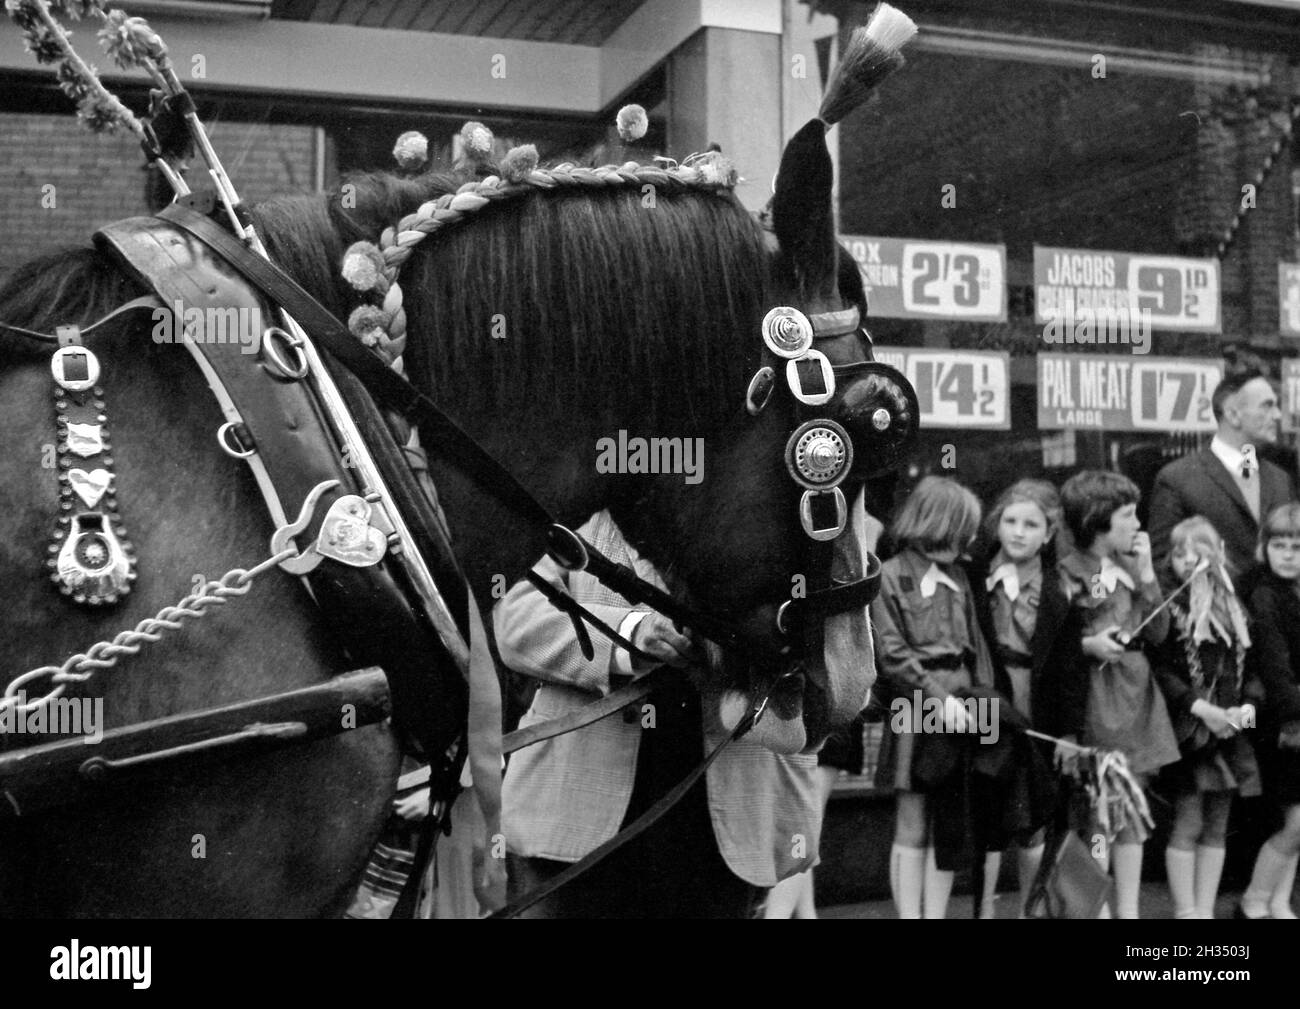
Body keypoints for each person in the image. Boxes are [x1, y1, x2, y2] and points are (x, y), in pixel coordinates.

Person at [495, 508, 839, 918]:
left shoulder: (769, 513)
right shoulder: (578, 506)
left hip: (728, 813)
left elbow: (833, 638)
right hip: (573, 811)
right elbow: (514, 620)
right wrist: (627, 634)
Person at [1057, 470, 1180, 919]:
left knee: (1132, 808)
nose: (1137, 524)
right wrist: (1088, 644)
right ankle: (1098, 909)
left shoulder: (1128, 568)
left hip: (1136, 698)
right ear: (1097, 520)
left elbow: (1162, 631)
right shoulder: (1069, 573)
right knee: (1099, 812)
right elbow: (1058, 639)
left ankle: (1128, 910)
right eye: (1127, 516)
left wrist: (1146, 575)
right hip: (1100, 699)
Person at [872, 476, 994, 919]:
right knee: (912, 818)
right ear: (938, 525)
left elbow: (976, 646)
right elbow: (892, 653)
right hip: (916, 705)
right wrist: (939, 698)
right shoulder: (888, 575)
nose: (969, 541)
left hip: (965, 702)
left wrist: (987, 711)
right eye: (962, 530)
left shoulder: (960, 576)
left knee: (952, 818)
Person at [969, 478, 1071, 918]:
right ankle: (983, 910)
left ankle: (1030, 909)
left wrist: (1069, 729)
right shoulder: (975, 576)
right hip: (989, 704)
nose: (1019, 532)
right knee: (986, 821)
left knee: (1033, 819)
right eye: (1010, 521)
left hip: (1035, 704)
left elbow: (1070, 666)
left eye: (1032, 524)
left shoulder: (1058, 587)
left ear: (1049, 534)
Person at [1153, 516, 1260, 919]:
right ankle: (1186, 911)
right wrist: (1201, 708)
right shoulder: (1168, 606)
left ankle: (1204, 908)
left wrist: (1246, 709)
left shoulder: (1235, 606)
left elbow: (1252, 672)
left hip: (1232, 731)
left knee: (1217, 825)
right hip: (1192, 730)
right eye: (1179, 553)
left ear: (1218, 554)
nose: (1187, 560)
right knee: (1188, 822)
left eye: (1197, 551)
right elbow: (1161, 672)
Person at [1148, 370, 1292, 579]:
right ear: (1233, 414)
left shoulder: (1280, 479)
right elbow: (1163, 564)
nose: (1278, 415)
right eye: (1267, 405)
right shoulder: (1177, 479)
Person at [1239, 503, 1300, 919]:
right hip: (1283, 723)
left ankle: (1278, 901)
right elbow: (1276, 674)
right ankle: (1255, 902)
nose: (1288, 553)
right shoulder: (1263, 593)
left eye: (1297, 545)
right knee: (1295, 823)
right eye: (1279, 544)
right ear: (1265, 547)